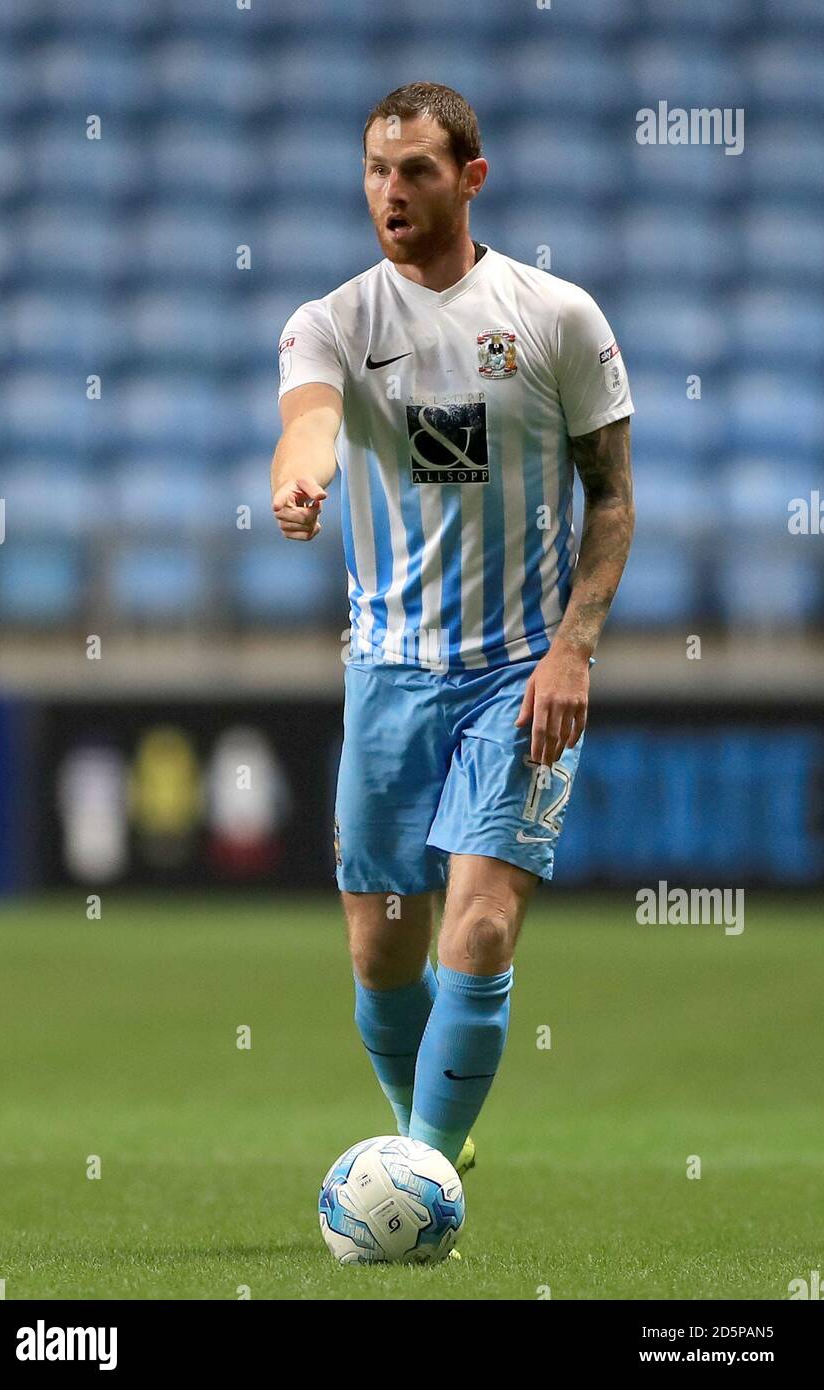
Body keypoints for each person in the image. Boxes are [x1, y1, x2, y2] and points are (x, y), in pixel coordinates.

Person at [271, 82, 634, 1174]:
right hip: (386, 675)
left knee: (476, 929)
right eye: (377, 170)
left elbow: (611, 497)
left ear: (470, 178)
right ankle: (431, 1135)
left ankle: (420, 1172)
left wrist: (574, 647)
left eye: (417, 169)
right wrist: (300, 483)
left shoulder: (555, 317)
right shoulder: (332, 320)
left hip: (518, 674)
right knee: (383, 952)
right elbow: (309, 424)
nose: (392, 190)